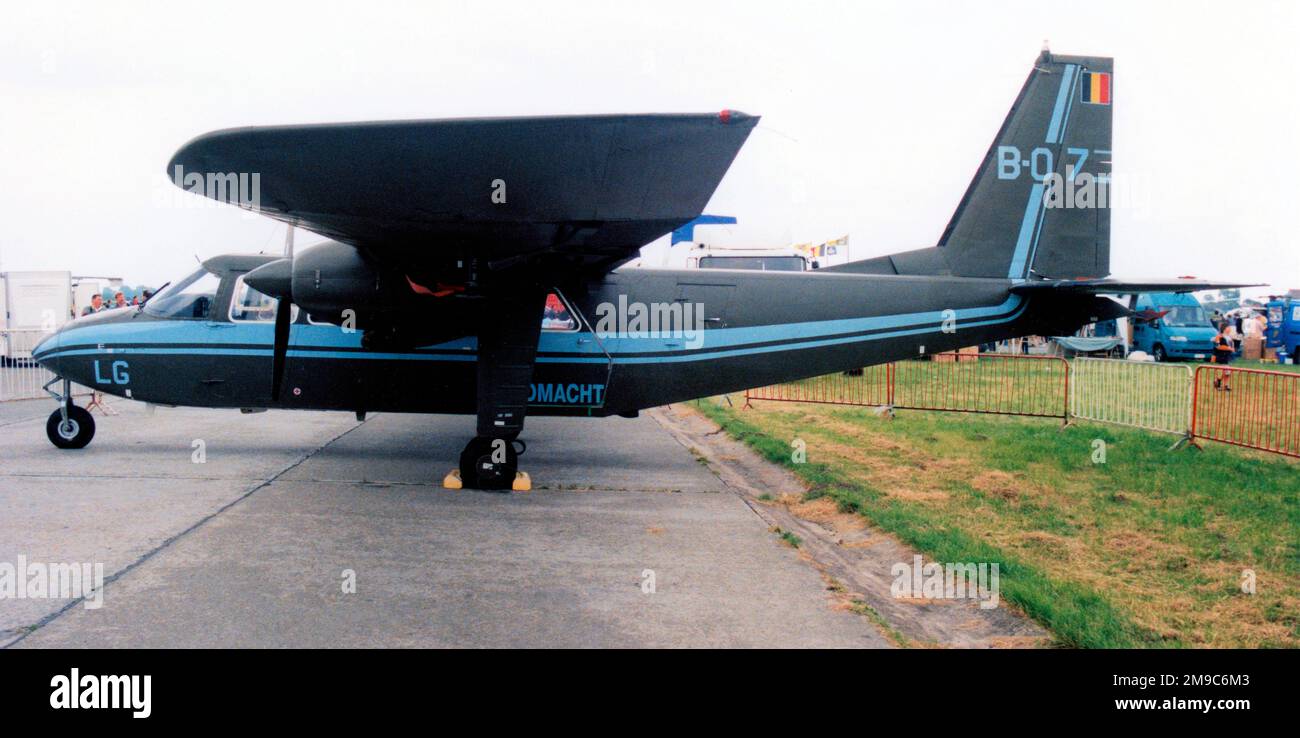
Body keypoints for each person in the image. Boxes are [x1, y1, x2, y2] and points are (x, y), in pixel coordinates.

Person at [1212, 323, 1235, 391]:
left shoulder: (1230, 337)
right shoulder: (1219, 337)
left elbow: (1231, 345)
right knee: (1222, 371)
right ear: (1225, 328)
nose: (1230, 329)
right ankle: (1217, 382)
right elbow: (1218, 346)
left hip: (1228, 356)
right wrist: (1228, 348)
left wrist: (1232, 349)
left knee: (1228, 372)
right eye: (1229, 327)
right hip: (1221, 356)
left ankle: (1226, 385)